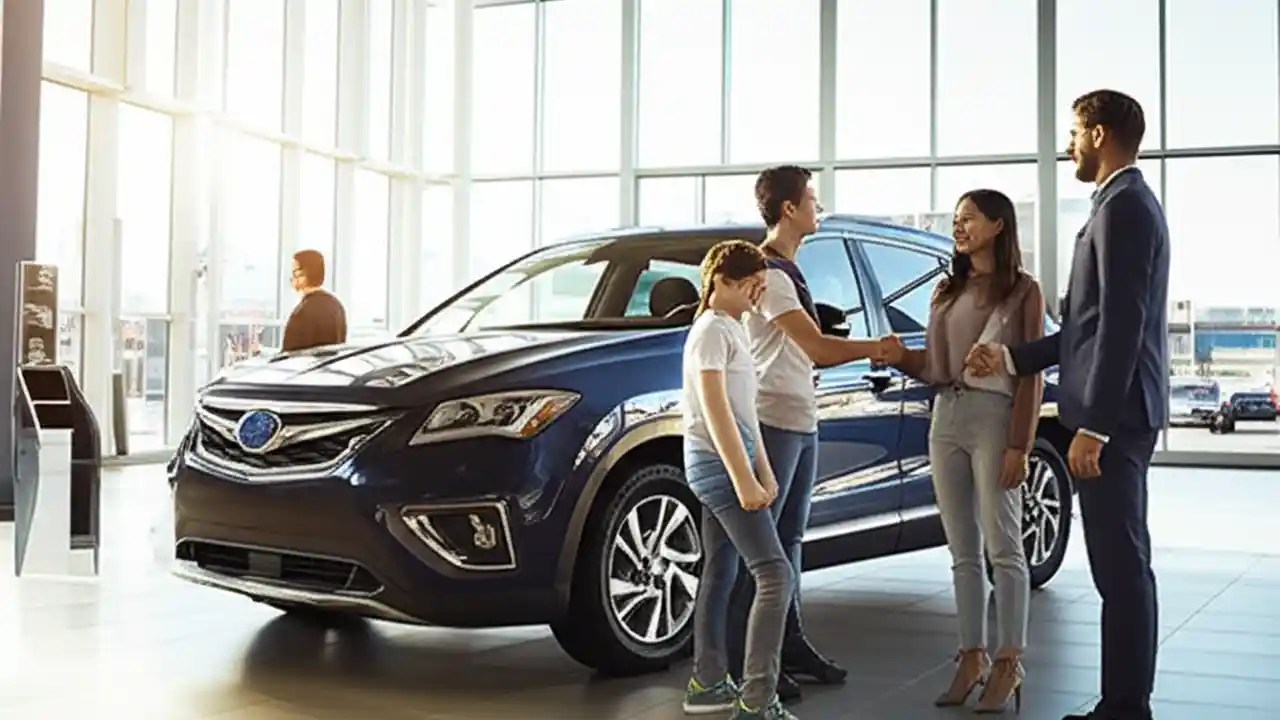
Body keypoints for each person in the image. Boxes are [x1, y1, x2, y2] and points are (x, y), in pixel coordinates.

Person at [966, 89, 1170, 720]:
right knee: (1126, 565)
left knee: (1121, 570)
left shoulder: (1125, 207)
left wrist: (1097, 428)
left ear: (1102, 134)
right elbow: (1088, 326)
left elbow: (1121, 327)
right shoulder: (1118, 204)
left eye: (1077, 132)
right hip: (1119, 410)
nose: (1069, 144)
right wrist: (1013, 358)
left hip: (1116, 416)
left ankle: (1125, 708)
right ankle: (1126, 703)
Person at [728, 165, 892, 701]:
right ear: (789, 209)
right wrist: (877, 348)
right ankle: (750, 664)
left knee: (791, 542)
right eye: (812, 199)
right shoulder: (771, 274)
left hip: (801, 418)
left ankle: (789, 644)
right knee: (765, 554)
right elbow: (816, 347)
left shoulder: (791, 272)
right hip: (773, 420)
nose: (818, 206)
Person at [879, 189, 1045, 713]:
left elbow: (1032, 373)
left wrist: (1020, 443)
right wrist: (899, 356)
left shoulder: (1022, 291)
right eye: (955, 219)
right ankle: (970, 655)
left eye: (968, 219)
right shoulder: (945, 291)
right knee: (961, 552)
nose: (959, 227)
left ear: (998, 225)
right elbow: (934, 367)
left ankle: (1008, 660)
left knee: (1004, 544)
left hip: (995, 419)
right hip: (945, 418)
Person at [679, 239, 797, 720]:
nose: (757, 293)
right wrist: (743, 479)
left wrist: (762, 469)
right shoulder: (711, 330)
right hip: (718, 464)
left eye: (761, 286)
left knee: (722, 568)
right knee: (775, 574)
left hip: (731, 463)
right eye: (751, 284)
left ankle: (707, 683)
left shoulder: (731, 328)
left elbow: (747, 411)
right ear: (722, 281)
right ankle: (757, 698)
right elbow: (716, 409)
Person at [281, 249, 347, 352]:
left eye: (294, 272)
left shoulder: (302, 311)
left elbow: (289, 354)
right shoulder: (337, 306)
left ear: (303, 274)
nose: (291, 277)